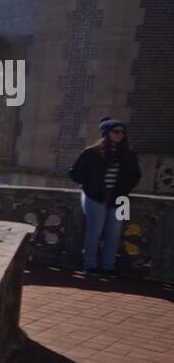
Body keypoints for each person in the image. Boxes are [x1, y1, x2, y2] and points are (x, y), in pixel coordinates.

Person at [68, 117, 141, 276]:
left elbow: (136, 175)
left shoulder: (128, 154)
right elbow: (74, 173)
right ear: (106, 133)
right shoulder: (91, 152)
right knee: (95, 231)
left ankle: (109, 266)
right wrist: (89, 184)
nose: (120, 134)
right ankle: (90, 264)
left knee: (114, 232)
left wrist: (125, 189)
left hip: (120, 198)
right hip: (95, 196)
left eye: (122, 132)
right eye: (116, 131)